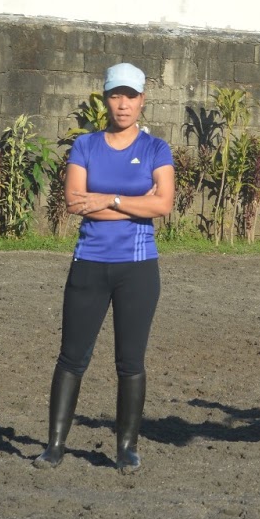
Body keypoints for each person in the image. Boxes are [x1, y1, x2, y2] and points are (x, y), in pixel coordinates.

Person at [34, 62, 176, 472]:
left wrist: (108, 200)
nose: (123, 104)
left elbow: (163, 205)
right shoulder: (85, 146)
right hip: (89, 266)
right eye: (116, 95)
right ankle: (55, 445)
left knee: (130, 362)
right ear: (106, 99)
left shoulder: (156, 149)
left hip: (138, 270)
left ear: (142, 100)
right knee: (71, 357)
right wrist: (135, 203)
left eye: (131, 96)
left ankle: (127, 447)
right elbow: (74, 202)